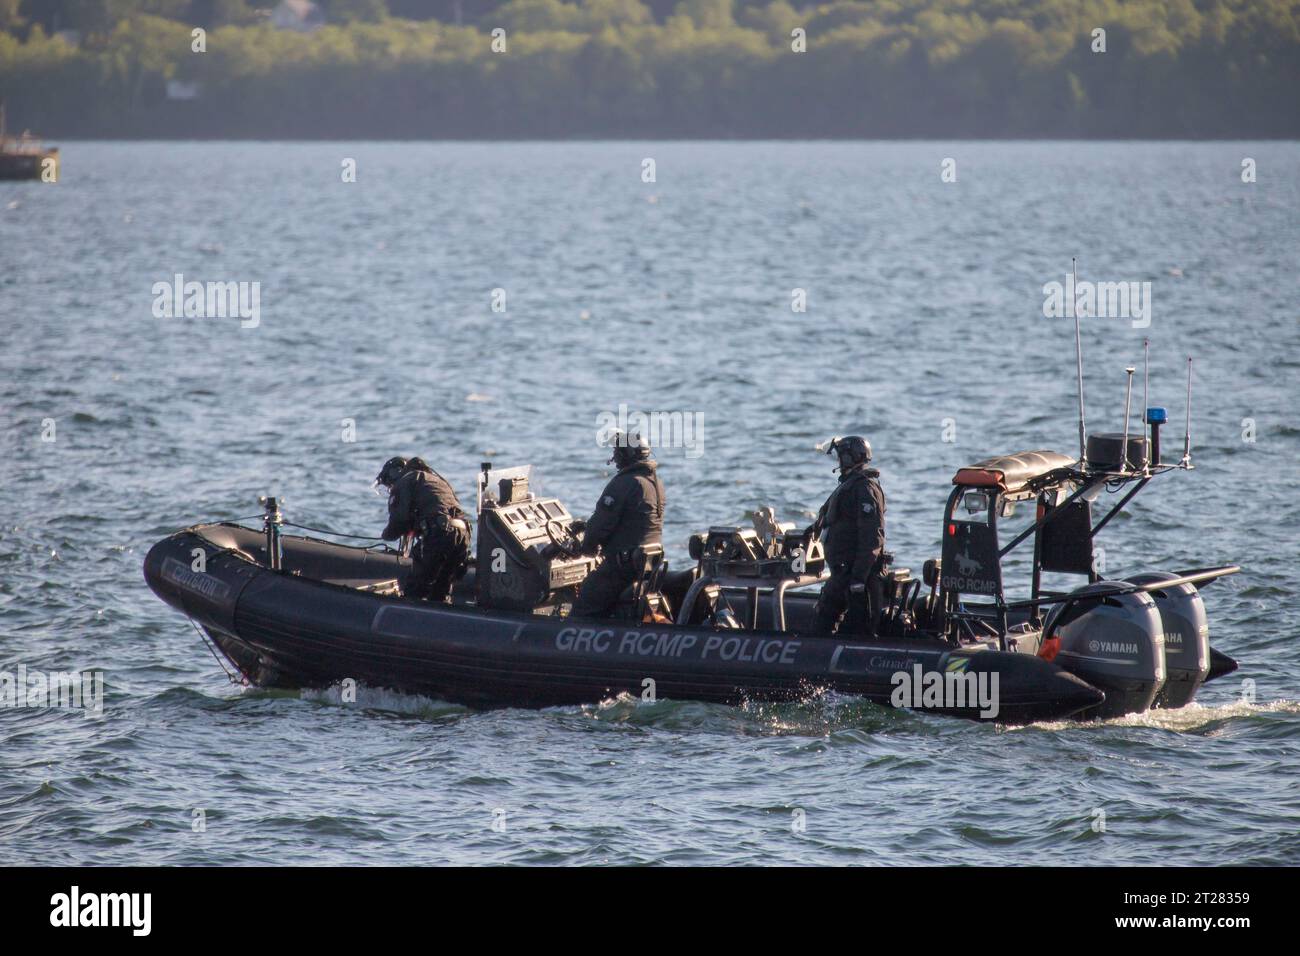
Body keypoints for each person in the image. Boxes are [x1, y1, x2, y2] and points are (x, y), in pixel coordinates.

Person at [570, 431, 666, 619]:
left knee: (584, 604)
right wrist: (586, 527)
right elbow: (631, 522)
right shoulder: (654, 483)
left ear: (624, 455)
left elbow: (600, 526)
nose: (614, 458)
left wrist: (587, 548)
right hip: (647, 567)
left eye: (617, 453)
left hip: (621, 569)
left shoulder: (624, 483)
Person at [808, 436, 887, 635]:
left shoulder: (864, 489)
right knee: (823, 620)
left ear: (851, 458)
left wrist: (858, 578)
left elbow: (872, 537)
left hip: (854, 576)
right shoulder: (849, 485)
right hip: (842, 573)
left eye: (841, 456)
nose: (839, 461)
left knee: (854, 628)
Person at [375, 456, 470, 603]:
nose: (390, 488)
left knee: (415, 590)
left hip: (439, 534)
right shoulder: (434, 480)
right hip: (463, 535)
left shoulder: (404, 481)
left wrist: (386, 535)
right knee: (441, 589)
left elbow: (398, 522)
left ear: (394, 474)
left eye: (389, 485)